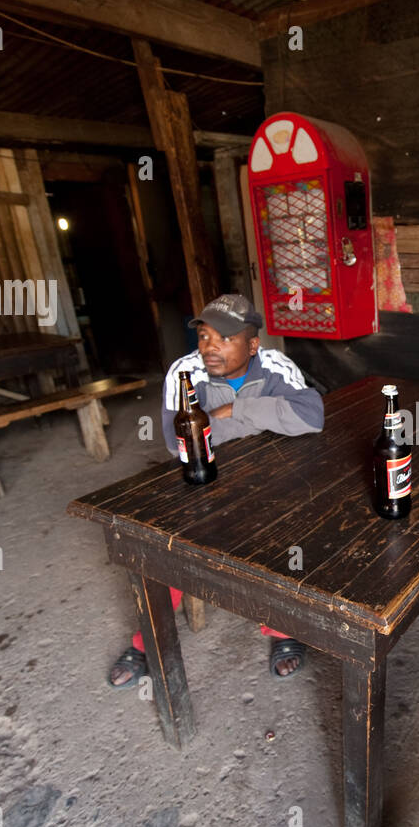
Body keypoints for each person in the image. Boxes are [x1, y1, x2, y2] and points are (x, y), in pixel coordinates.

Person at [107, 293, 324, 687]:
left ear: (252, 345)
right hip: (203, 477)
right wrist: (269, 415)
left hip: (267, 475)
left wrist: (231, 412)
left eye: (224, 339)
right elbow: (181, 443)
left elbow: (311, 417)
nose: (210, 347)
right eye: (205, 336)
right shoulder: (184, 372)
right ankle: (146, 643)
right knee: (165, 549)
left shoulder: (276, 364)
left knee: (286, 531)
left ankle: (280, 629)